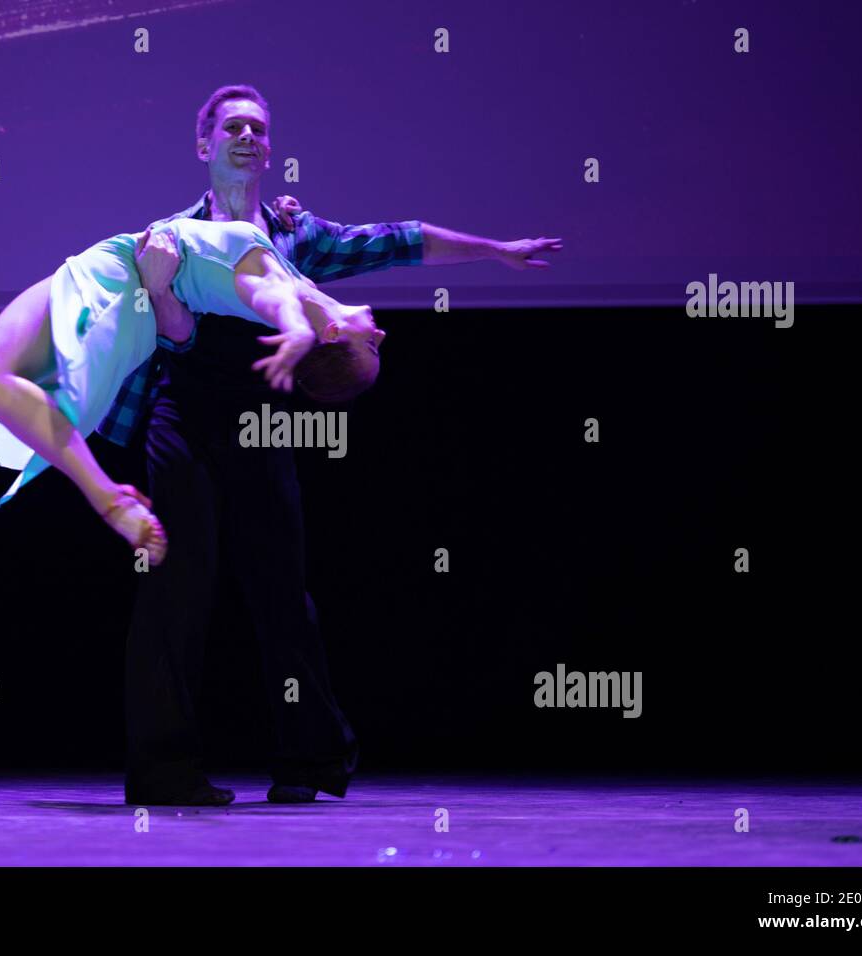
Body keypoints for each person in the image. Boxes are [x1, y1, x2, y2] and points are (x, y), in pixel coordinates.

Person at [118, 84, 563, 806]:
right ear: (204, 146)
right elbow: (173, 333)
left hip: (266, 421)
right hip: (187, 416)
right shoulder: (169, 234)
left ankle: (310, 762)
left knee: (280, 589)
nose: (246, 136)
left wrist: (497, 252)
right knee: (175, 584)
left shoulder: (295, 233)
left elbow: (399, 240)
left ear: (269, 149)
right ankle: (164, 770)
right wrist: (164, 291)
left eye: (257, 129)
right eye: (230, 126)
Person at [0, 215, 386, 565]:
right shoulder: (288, 266)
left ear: (333, 334)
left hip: (116, 281)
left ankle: (107, 497)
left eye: (374, 347)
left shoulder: (279, 286)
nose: (381, 332)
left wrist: (294, 329)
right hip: (121, 290)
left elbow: (273, 297)